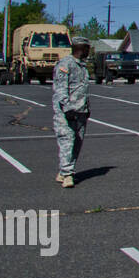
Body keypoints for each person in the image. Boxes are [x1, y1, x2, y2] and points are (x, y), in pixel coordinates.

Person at [52, 38, 91, 188]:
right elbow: (61, 89)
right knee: (67, 141)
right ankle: (68, 175)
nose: (89, 51)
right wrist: (67, 108)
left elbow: (83, 90)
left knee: (77, 144)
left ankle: (64, 171)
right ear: (81, 48)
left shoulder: (82, 66)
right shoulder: (66, 64)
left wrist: (87, 107)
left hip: (81, 111)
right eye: (87, 48)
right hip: (67, 113)